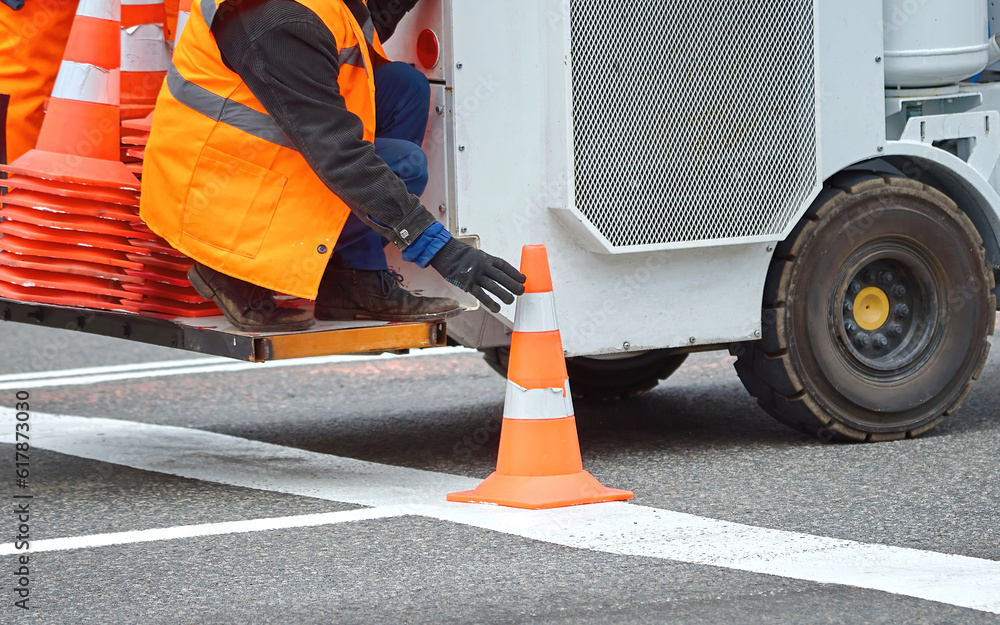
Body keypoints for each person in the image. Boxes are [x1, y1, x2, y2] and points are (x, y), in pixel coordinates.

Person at [140, 0, 525, 331]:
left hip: (251, 160)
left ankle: (355, 279)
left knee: (403, 86)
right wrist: (443, 252)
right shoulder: (275, 20)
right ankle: (230, 270)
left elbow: (362, 21)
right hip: (224, 202)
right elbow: (340, 155)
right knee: (404, 165)